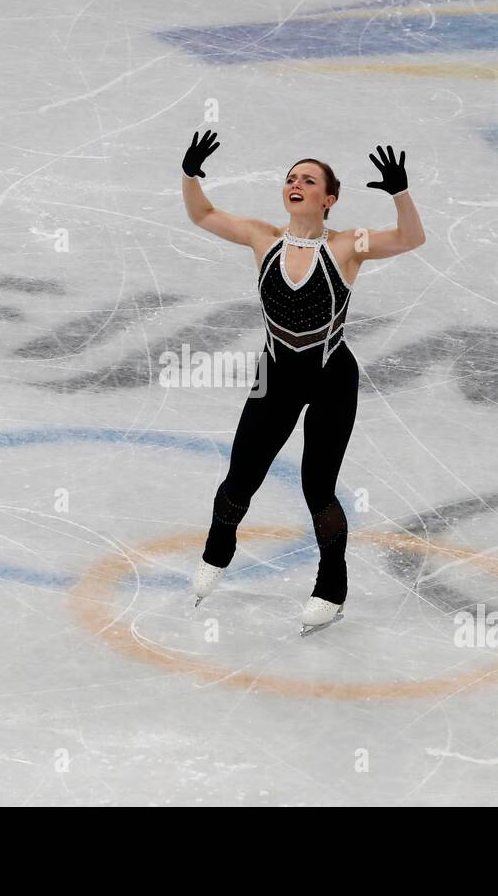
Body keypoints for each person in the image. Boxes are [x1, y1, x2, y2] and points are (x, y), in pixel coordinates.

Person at [179, 130, 426, 633]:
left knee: (318, 487)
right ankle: (217, 549)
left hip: (332, 377)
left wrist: (401, 194)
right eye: (291, 178)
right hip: (275, 375)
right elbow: (203, 215)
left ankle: (332, 586)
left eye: (308, 180)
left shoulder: (346, 246)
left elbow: (409, 239)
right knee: (241, 474)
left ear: (328, 198)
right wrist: (190, 175)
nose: (296, 184)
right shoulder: (262, 237)